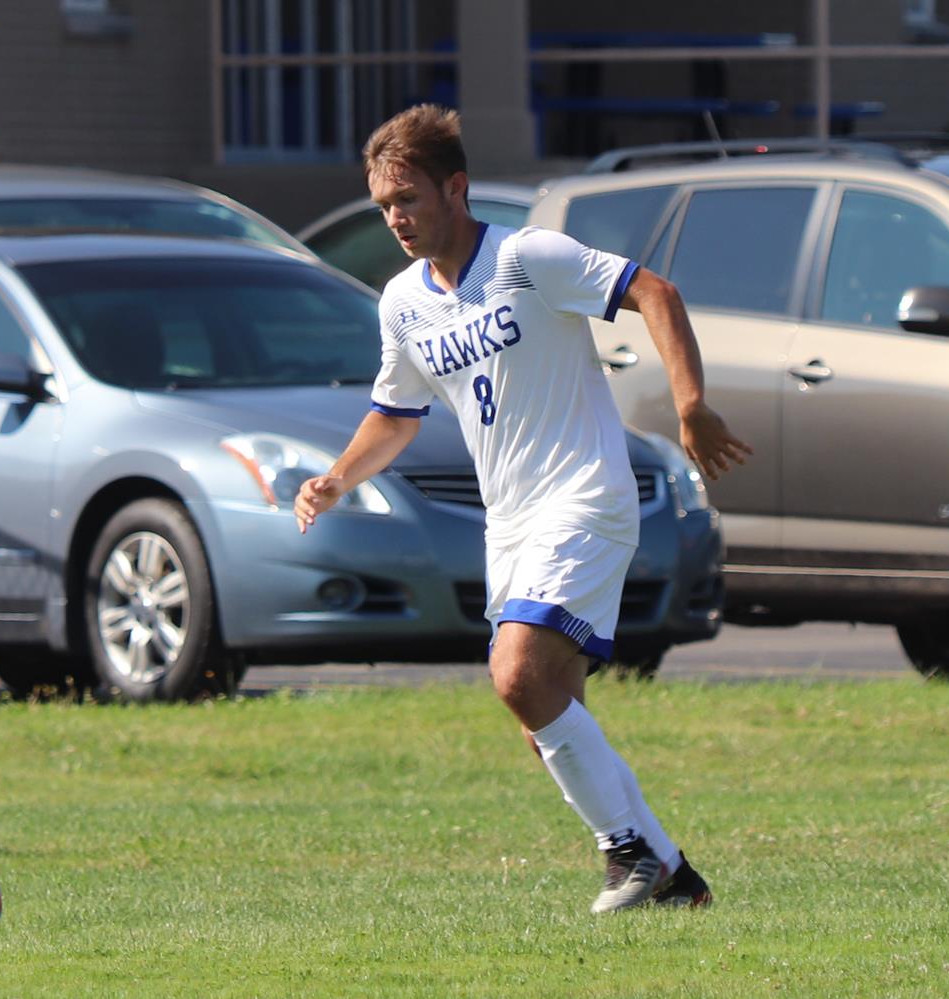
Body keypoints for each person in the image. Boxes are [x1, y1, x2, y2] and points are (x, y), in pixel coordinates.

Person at [293, 106, 751, 913]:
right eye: (383, 206)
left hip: (582, 495)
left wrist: (691, 405)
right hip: (509, 523)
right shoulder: (401, 301)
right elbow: (396, 413)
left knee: (515, 675)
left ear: (456, 188)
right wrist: (336, 478)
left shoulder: (527, 256)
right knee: (546, 709)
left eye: (408, 198)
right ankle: (671, 876)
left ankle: (628, 854)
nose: (396, 218)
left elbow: (656, 291)